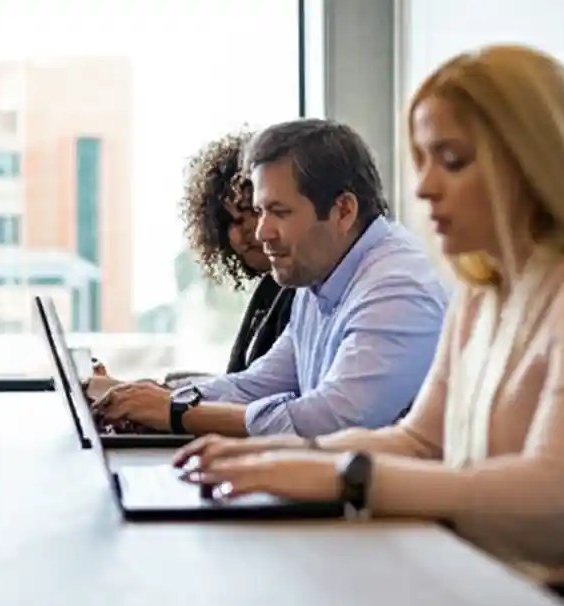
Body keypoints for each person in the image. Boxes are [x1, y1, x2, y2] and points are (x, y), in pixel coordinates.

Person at [175, 45, 564, 606]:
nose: (424, 186)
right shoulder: (484, 296)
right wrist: (279, 457)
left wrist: (341, 474)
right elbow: (421, 442)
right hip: (516, 590)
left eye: (450, 161)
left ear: (532, 163)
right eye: (422, 161)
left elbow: (554, 499)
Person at [96, 119, 447, 439]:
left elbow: (328, 422)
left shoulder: (397, 288)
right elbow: (255, 386)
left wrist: (177, 414)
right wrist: (147, 398)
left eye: (279, 212)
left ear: (344, 211)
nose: (262, 232)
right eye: (261, 211)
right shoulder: (321, 278)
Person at [91, 130, 296, 394]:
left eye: (251, 213)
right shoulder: (272, 290)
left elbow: (259, 400)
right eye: (227, 225)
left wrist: (160, 397)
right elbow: (244, 385)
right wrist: (153, 391)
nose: (241, 234)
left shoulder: (300, 291)